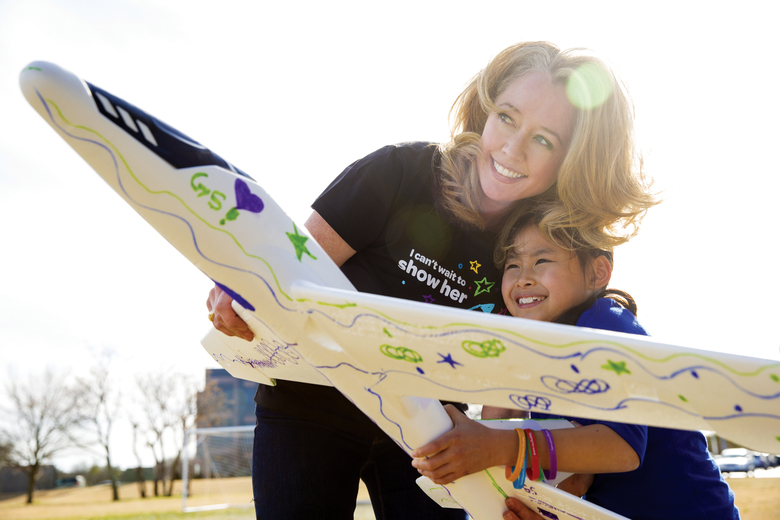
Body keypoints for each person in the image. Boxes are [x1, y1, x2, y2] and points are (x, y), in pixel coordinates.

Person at [207, 41, 656, 519]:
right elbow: (291, 268)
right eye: (507, 117)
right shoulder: (400, 172)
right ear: (484, 110)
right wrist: (242, 290)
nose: (512, 148)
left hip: (429, 437)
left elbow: (511, 382)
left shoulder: (540, 246)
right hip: (310, 406)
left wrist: (519, 497)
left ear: (571, 161)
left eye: (544, 140)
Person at [411, 212, 740, 520]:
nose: (523, 278)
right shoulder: (540, 351)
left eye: (541, 260)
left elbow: (622, 447)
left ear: (597, 273)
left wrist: (497, 446)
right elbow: (573, 476)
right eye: (512, 265)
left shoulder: (605, 323)